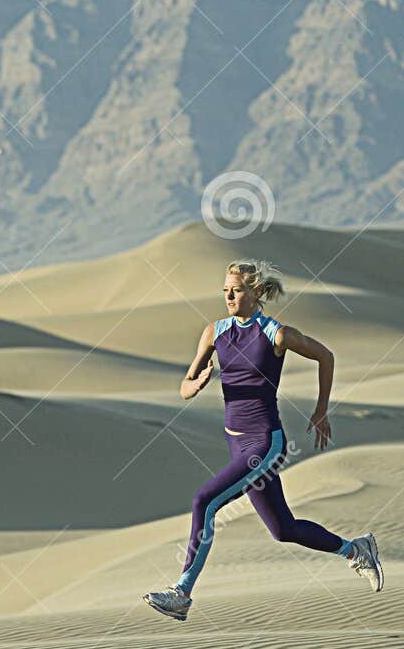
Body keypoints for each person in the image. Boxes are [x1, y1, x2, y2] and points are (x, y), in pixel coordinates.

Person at [143, 260, 382, 622]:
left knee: (203, 502)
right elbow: (185, 386)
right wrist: (197, 384)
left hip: (265, 445)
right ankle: (356, 550)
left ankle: (183, 592)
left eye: (236, 290)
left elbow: (325, 356)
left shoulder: (276, 334)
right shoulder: (214, 332)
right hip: (235, 442)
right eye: (225, 291)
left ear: (254, 292)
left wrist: (321, 410)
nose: (229, 297)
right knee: (283, 529)